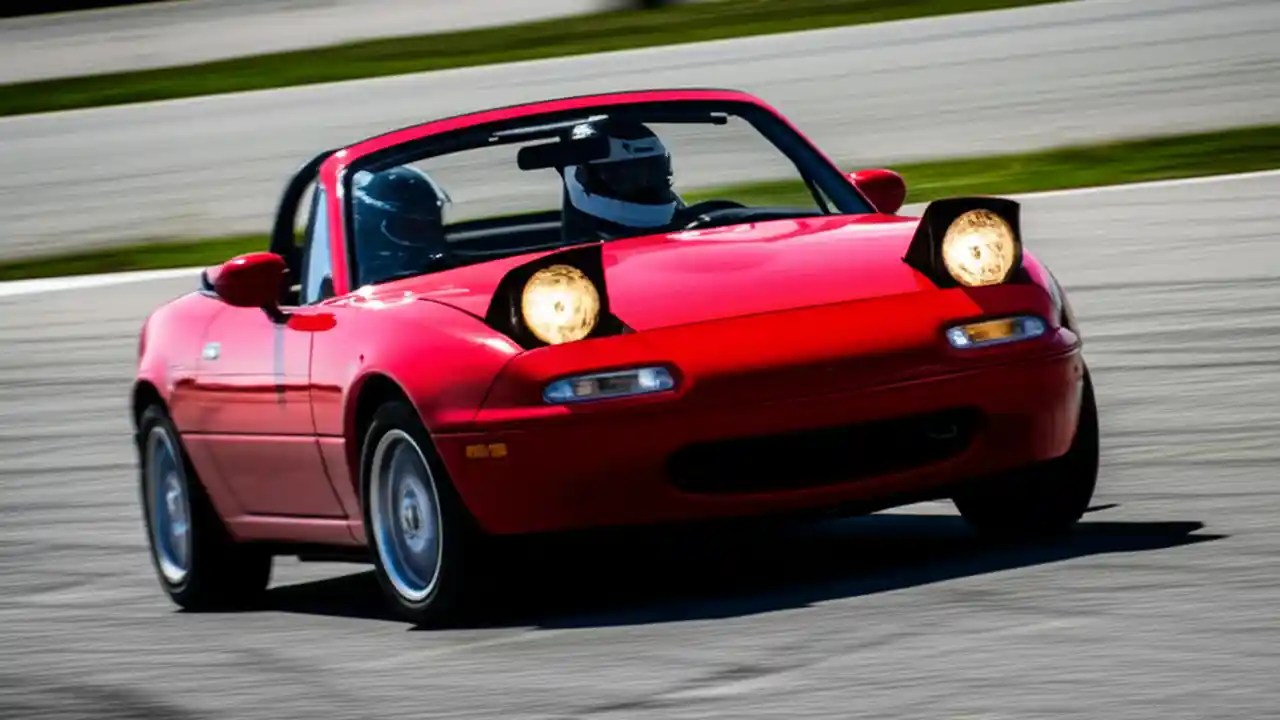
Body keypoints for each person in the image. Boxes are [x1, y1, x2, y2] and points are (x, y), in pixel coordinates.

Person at [560, 118, 688, 244]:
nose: (645, 181)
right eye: (630, 174)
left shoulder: (684, 220)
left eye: (653, 170)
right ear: (585, 175)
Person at [351, 165, 452, 286]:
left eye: (431, 222)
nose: (426, 232)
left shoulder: (436, 258)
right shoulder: (362, 270)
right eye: (411, 225)